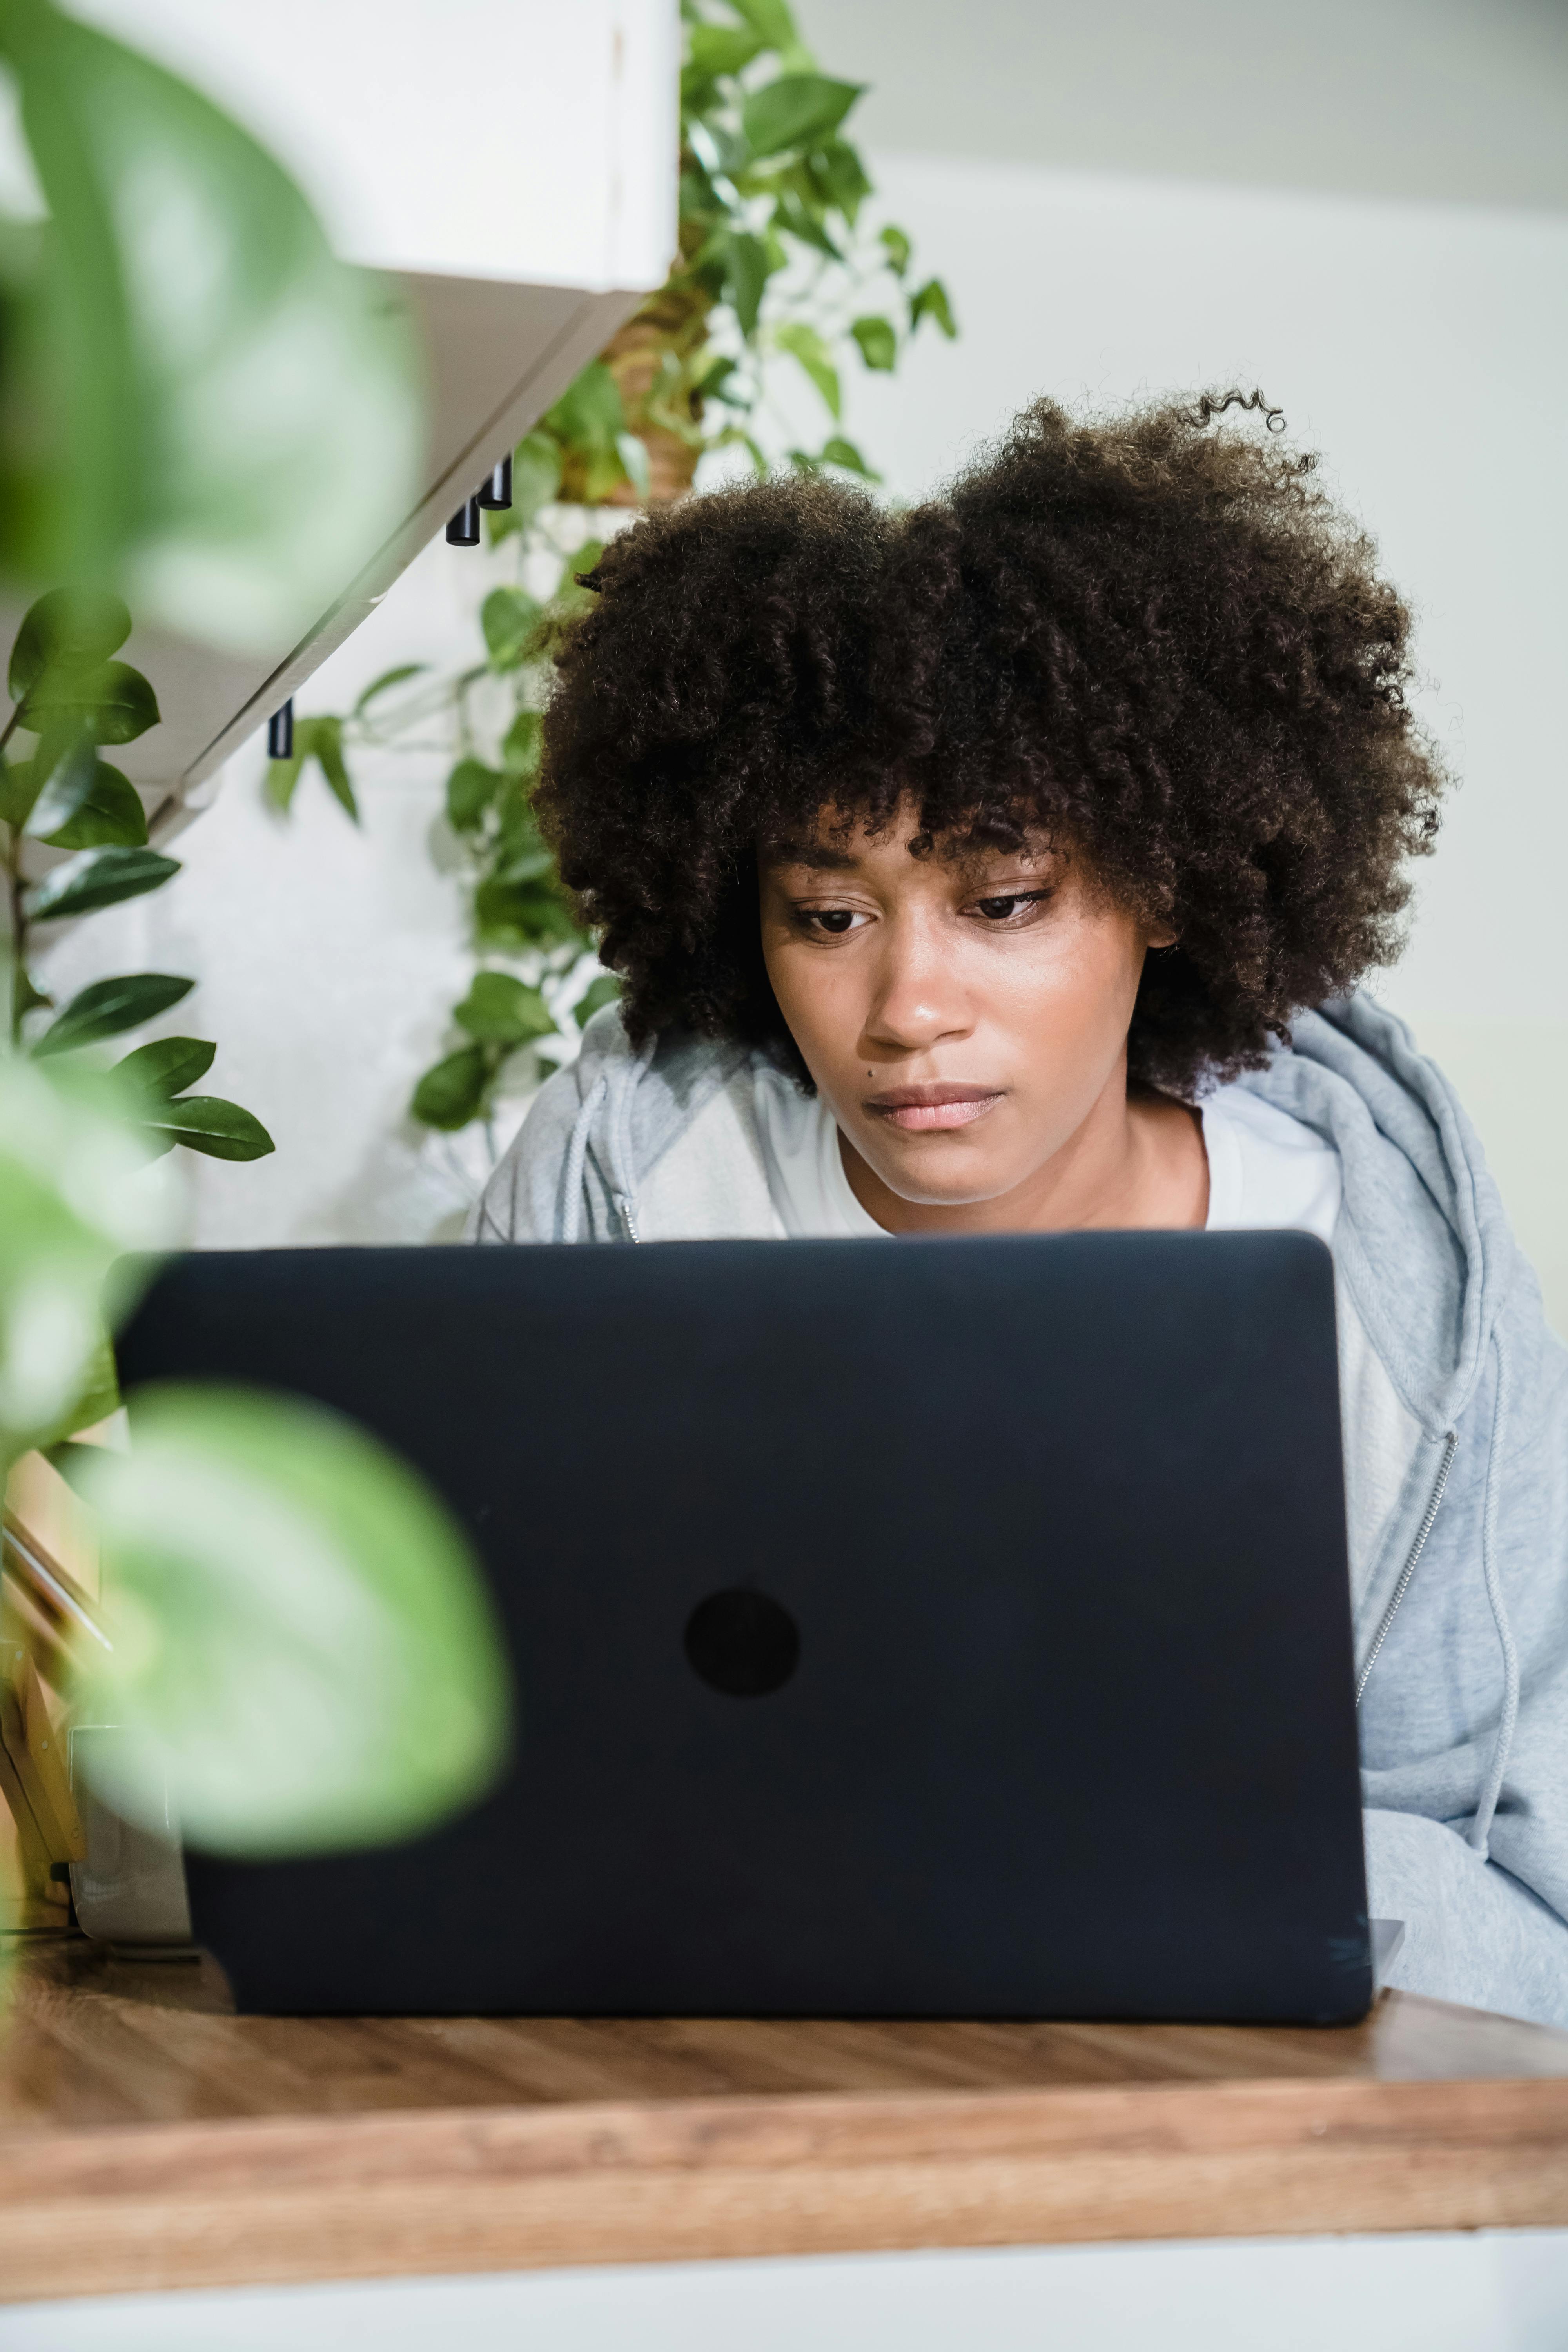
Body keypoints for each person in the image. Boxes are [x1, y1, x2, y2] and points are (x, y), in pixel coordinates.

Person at [471, 391, 1568, 2028]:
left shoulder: (1389, 1289)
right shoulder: (637, 1185)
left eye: (1002, 904)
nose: (909, 1003)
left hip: (1254, 2127)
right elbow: (469, 1747)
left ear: (1170, 885)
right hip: (717, 2086)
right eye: (827, 914)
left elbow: (1515, 1889)